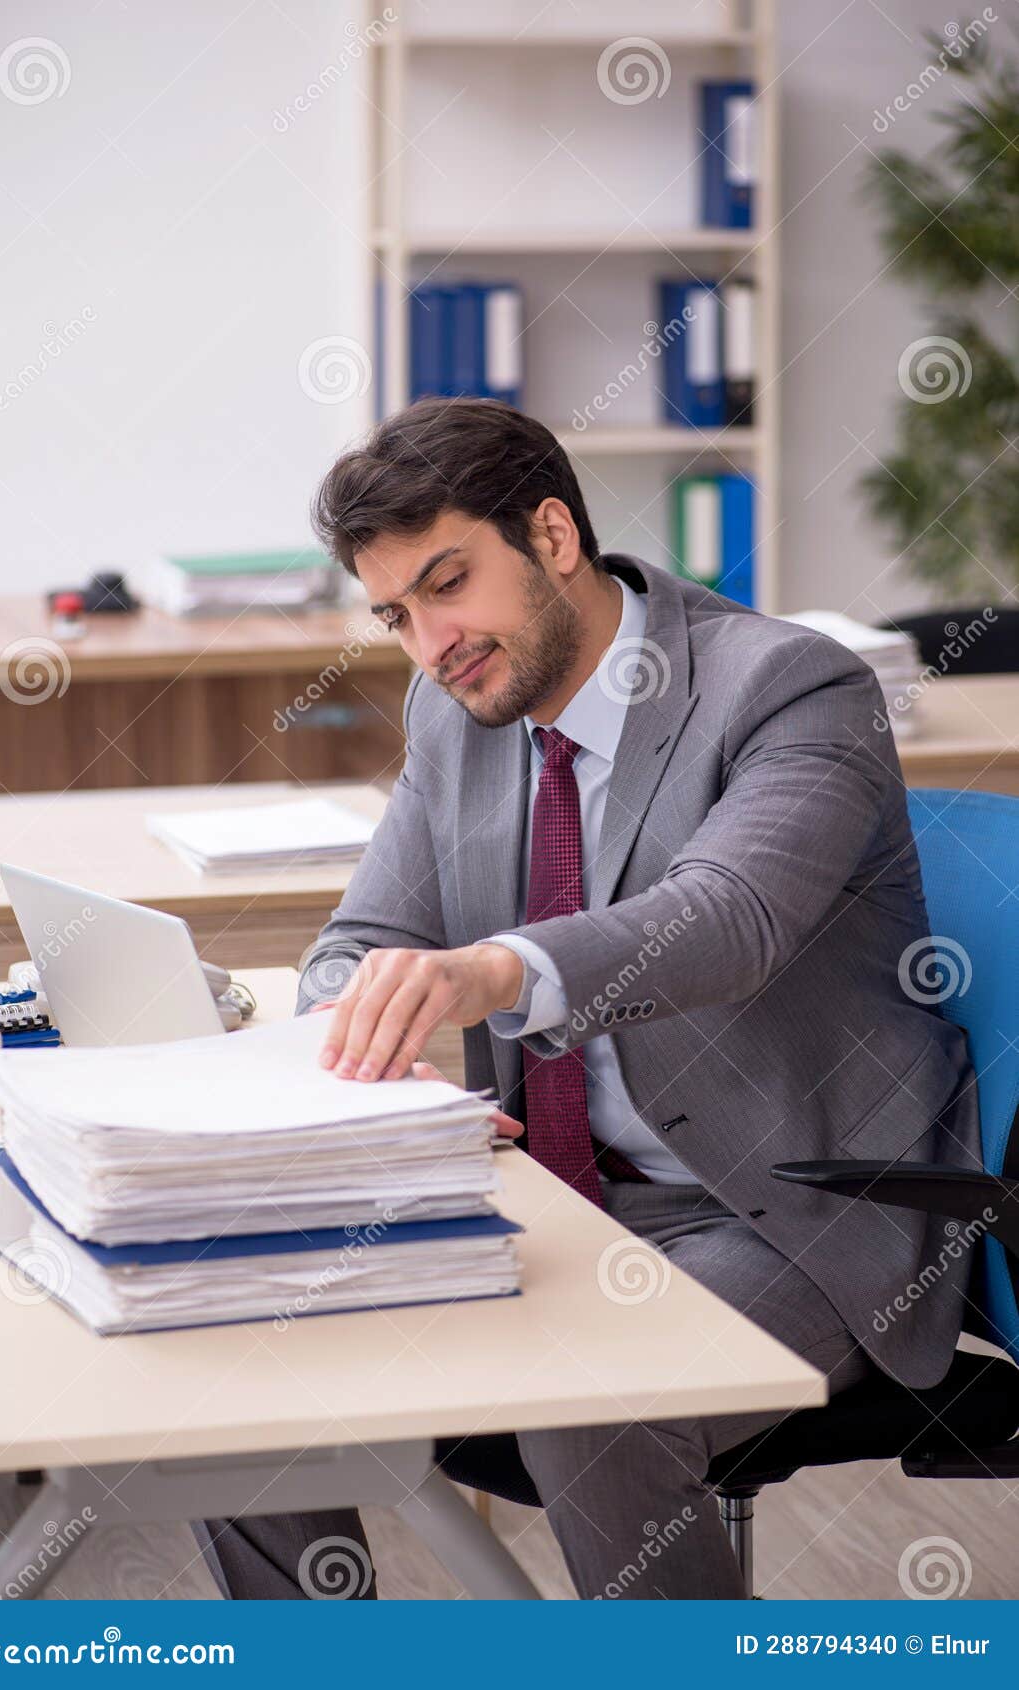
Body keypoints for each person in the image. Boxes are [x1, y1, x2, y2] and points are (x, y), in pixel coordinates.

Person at [194, 398, 980, 1600]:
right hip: (550, 1200)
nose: (432, 642)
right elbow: (366, 938)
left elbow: (729, 918)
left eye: (449, 583)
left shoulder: (786, 686)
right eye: (397, 615)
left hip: (791, 1207)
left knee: (589, 1400)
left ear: (553, 535)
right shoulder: (458, 710)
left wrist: (493, 969)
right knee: (237, 1336)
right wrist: (359, 1036)